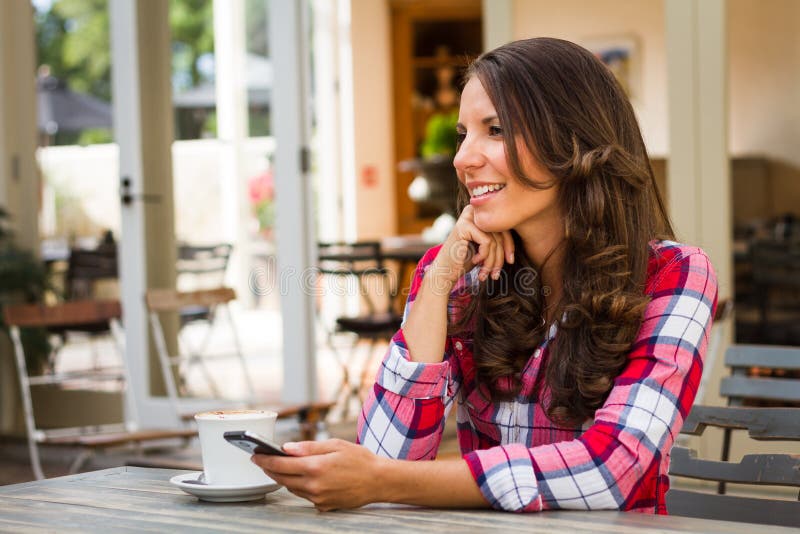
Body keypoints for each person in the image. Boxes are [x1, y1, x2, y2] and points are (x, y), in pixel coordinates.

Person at [252, 37, 718, 514]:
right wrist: (437, 283)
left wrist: (383, 480)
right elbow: (386, 455)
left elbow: (611, 469)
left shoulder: (675, 275)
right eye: (463, 134)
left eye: (494, 129)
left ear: (575, 141)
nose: (462, 159)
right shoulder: (459, 275)